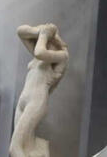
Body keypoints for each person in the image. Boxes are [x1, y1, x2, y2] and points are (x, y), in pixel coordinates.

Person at [10, 23, 68, 157]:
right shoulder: (42, 53)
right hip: (23, 101)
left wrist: (44, 34)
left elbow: (40, 52)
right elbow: (20, 31)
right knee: (27, 147)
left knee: (15, 147)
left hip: (36, 101)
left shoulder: (62, 55)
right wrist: (38, 31)